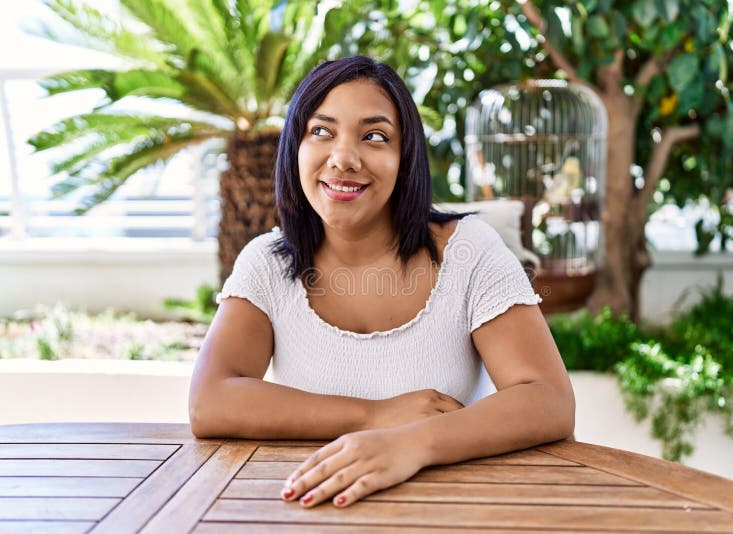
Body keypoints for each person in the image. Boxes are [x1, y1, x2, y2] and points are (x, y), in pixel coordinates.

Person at [189, 56, 574, 509]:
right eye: (322, 131)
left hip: (454, 507)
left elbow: (549, 400)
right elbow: (210, 402)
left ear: (405, 157)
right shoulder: (267, 263)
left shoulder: (468, 251)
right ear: (295, 146)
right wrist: (375, 416)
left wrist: (412, 443)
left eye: (374, 136)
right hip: (314, 509)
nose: (344, 158)